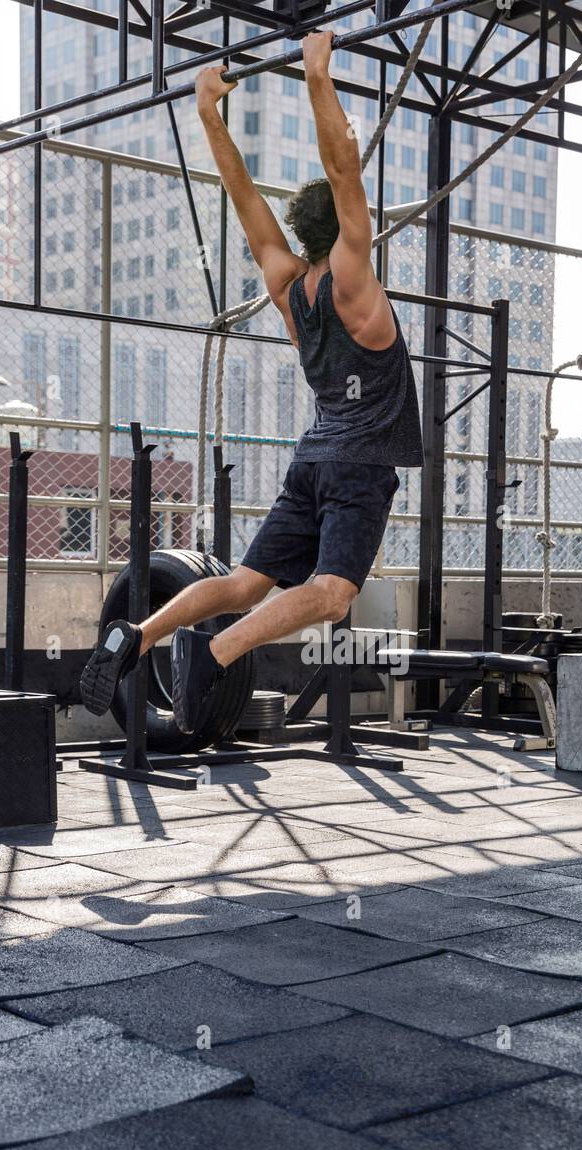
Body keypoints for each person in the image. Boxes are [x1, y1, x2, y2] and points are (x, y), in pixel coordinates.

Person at [80, 30, 424, 735]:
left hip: (313, 459)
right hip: (357, 467)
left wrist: (210, 114)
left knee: (243, 582)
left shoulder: (290, 284)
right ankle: (219, 652)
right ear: (347, 223)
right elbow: (344, 167)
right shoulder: (354, 279)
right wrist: (317, 74)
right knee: (330, 596)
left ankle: (138, 634)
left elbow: (244, 203)